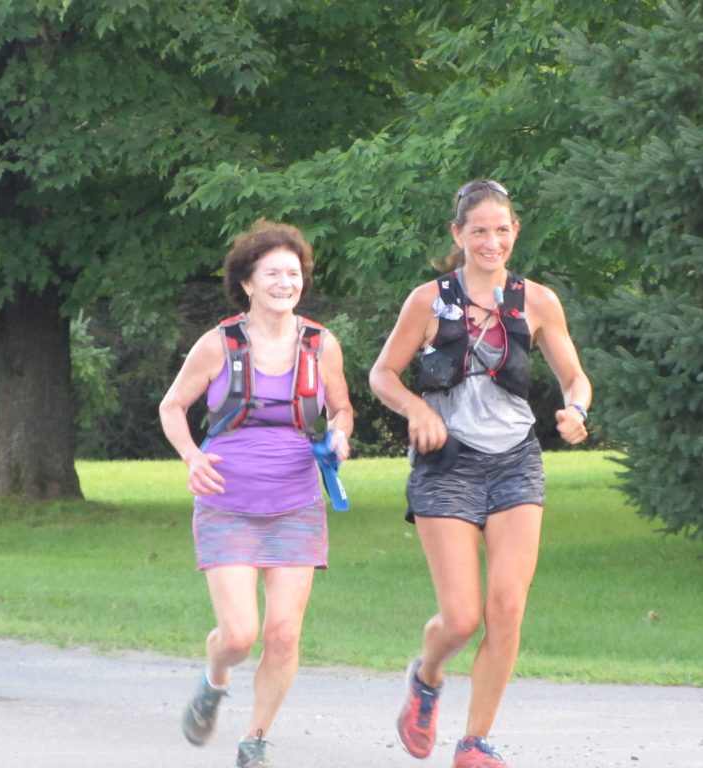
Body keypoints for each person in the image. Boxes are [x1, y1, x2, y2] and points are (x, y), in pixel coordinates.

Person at [368, 180, 591, 768]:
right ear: (458, 235)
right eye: (479, 231)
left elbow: (574, 377)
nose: (492, 241)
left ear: (516, 231)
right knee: (463, 618)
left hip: (516, 461)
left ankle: (474, 742)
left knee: (507, 608)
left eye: (502, 230)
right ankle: (426, 676)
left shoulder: (537, 300)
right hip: (447, 464)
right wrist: (417, 411)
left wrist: (577, 410)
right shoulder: (427, 300)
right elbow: (383, 375)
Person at [159, 219, 353, 768]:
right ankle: (215, 675)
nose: (285, 283)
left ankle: (255, 740)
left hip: (297, 504)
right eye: (272, 273)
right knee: (240, 635)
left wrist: (339, 435)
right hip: (227, 504)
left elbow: (341, 408)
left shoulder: (321, 344)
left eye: (293, 273)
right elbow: (172, 407)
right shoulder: (217, 345)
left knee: (284, 634)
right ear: (246, 282)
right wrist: (192, 457)